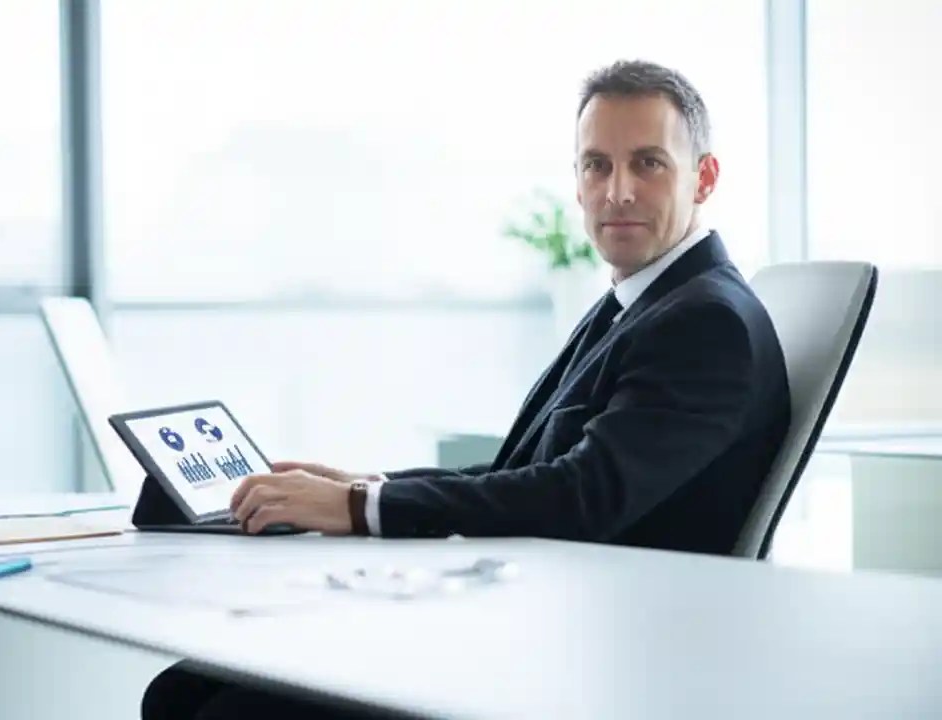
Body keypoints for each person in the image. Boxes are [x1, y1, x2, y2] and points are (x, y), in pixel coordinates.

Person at [142, 58, 791, 720]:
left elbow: (579, 496)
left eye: (648, 163)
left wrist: (362, 505)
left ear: (703, 178)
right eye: (596, 165)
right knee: (184, 689)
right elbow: (527, 473)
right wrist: (362, 484)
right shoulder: (641, 302)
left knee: (218, 712)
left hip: (589, 654)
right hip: (537, 618)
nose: (617, 191)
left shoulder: (703, 321)